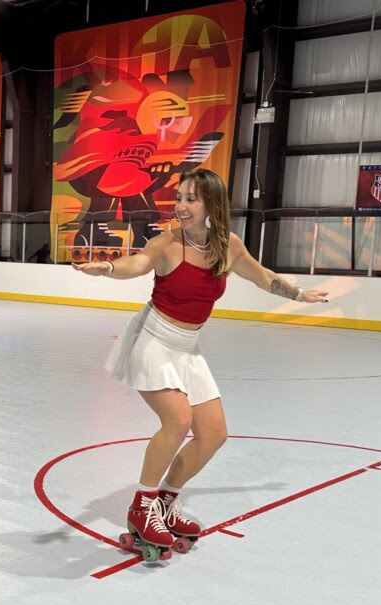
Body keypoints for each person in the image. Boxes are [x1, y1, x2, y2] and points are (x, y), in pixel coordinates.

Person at [72, 168, 328, 555]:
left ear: (211, 204)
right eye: (180, 198)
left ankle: (166, 501)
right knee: (177, 421)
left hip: (188, 348)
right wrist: (107, 267)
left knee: (214, 434)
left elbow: (261, 276)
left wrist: (298, 294)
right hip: (153, 341)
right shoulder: (166, 245)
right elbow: (136, 264)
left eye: (191, 198)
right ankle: (142, 507)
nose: (181, 206)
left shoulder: (227, 247)